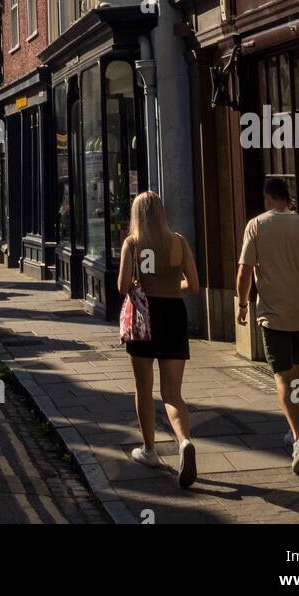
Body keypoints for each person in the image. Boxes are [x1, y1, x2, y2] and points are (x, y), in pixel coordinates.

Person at [237, 175, 299, 476]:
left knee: (281, 375)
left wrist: (241, 304)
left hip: (274, 314)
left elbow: (244, 272)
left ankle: (297, 435)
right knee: (297, 372)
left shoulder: (257, 225)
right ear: (287, 198)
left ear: (267, 199)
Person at [117, 191, 199, 487]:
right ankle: (185, 441)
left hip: (144, 318)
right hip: (174, 314)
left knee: (144, 387)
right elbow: (195, 284)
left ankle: (150, 450)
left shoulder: (132, 243)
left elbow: (122, 285)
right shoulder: (178, 241)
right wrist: (172, 284)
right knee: (173, 394)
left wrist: (140, 283)